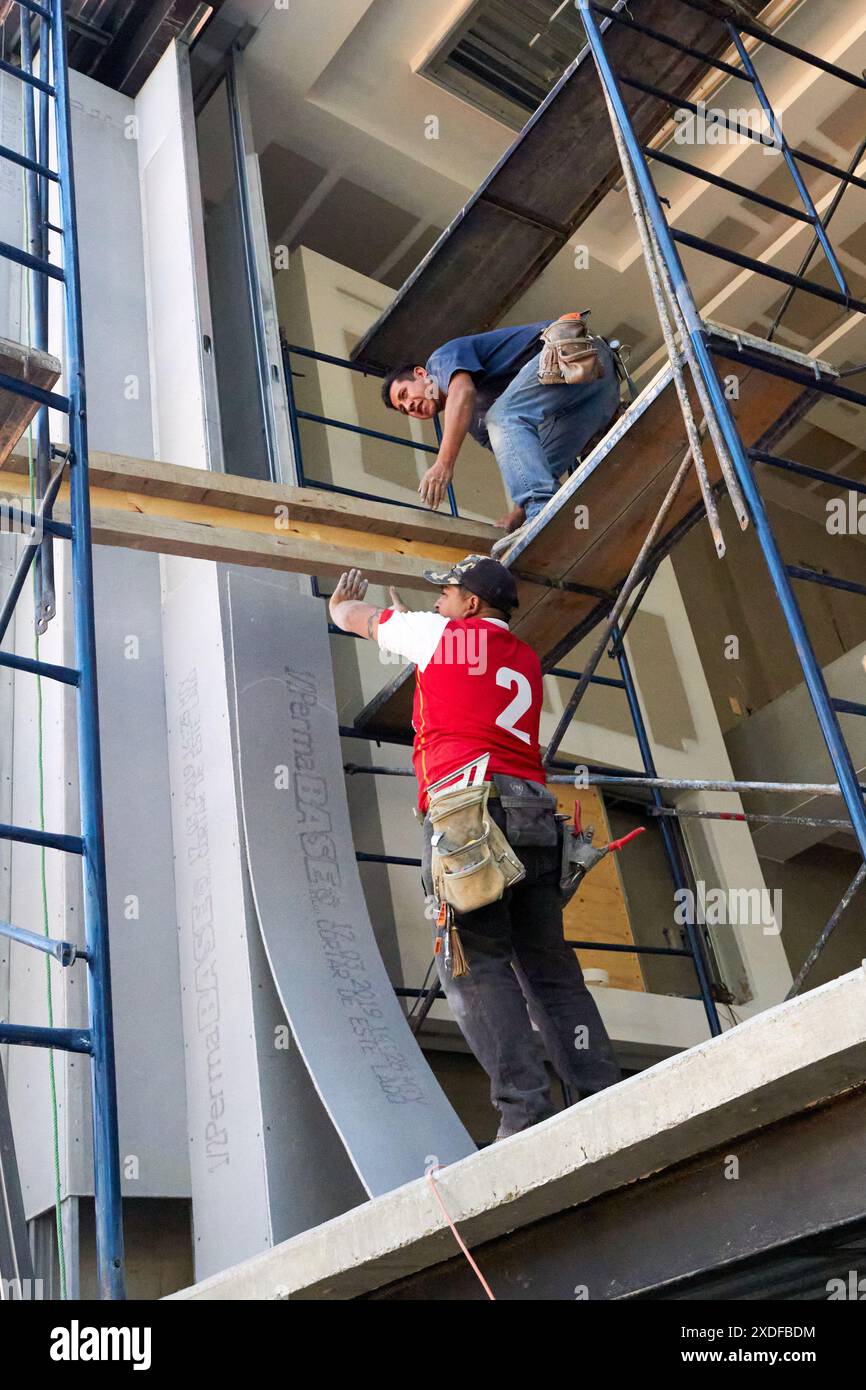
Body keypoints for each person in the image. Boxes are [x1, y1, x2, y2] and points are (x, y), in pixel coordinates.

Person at [328, 556, 621, 1140]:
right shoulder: (525, 659)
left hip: (470, 813)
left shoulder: (441, 635)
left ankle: (524, 1112)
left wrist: (342, 609)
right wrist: (422, 625)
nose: (439, 602)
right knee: (549, 969)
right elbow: (469, 683)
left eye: (448, 594)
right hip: (535, 813)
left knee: (473, 963)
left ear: (472, 604)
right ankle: (604, 1095)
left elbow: (359, 619)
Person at [380, 315, 622, 548]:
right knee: (540, 464)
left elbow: (462, 392)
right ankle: (543, 515)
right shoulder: (478, 424)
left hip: (577, 356)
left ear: (421, 374)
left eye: (404, 394)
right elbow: (525, 464)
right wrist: (519, 514)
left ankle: (540, 509)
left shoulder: (440, 361)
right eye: (404, 410)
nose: (409, 405)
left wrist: (443, 464)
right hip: (598, 397)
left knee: (501, 416)